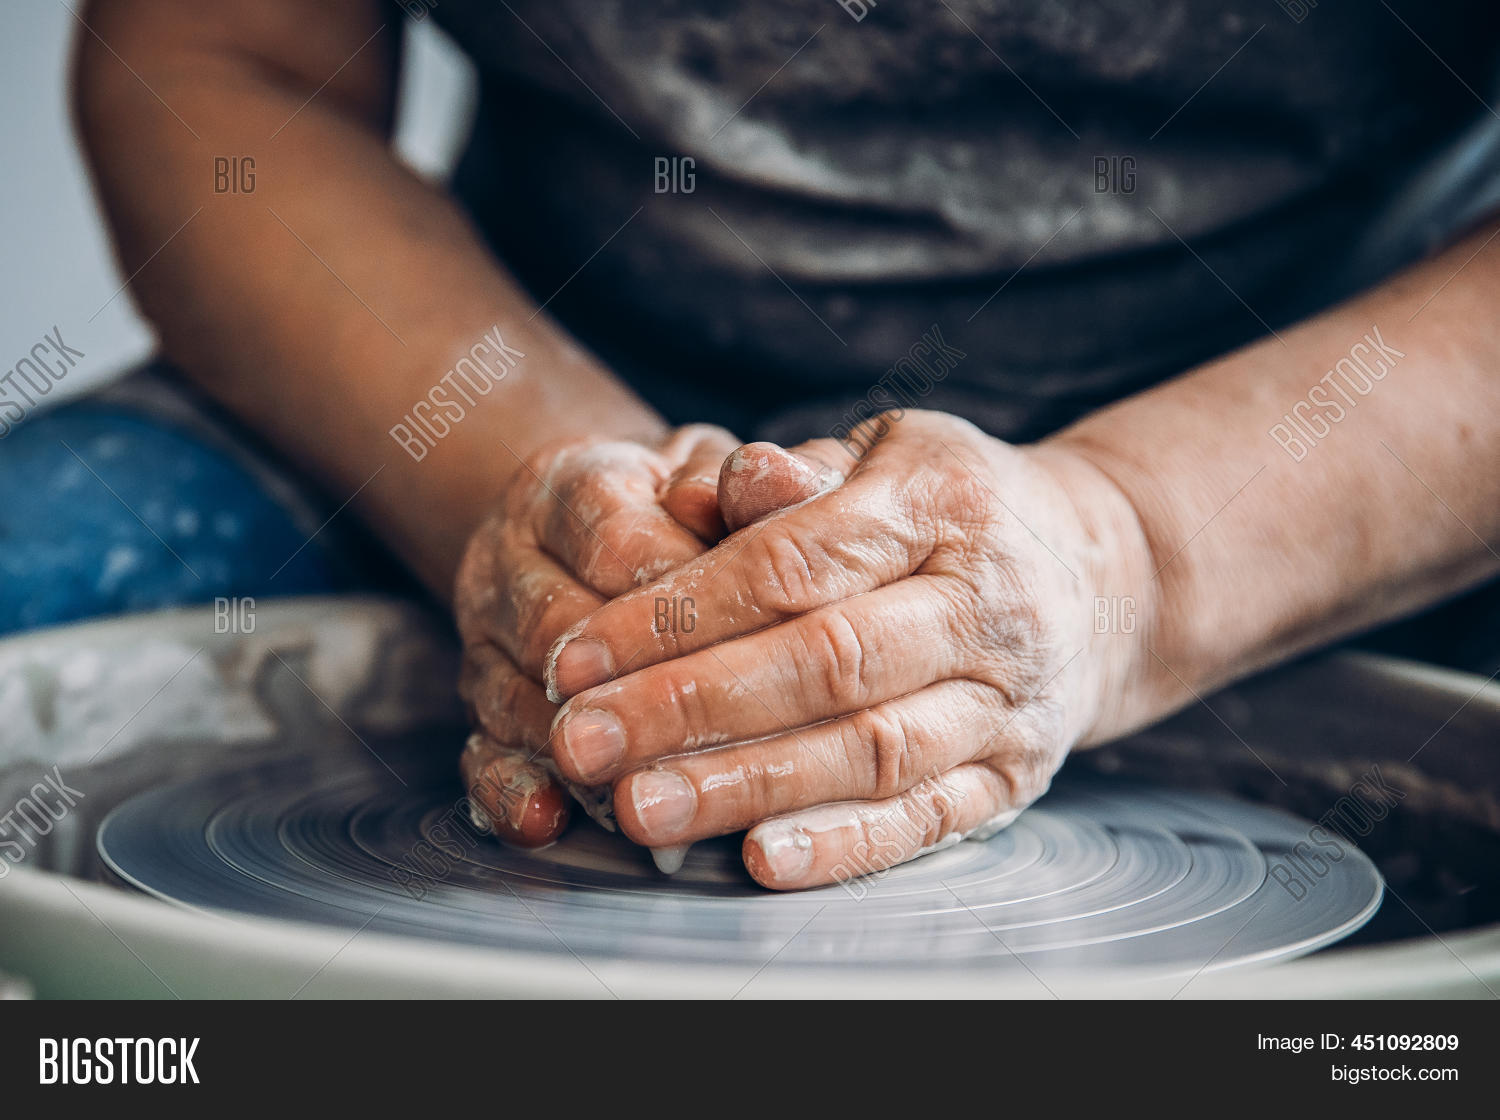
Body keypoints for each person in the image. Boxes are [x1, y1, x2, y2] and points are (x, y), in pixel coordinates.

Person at [57, 0, 1499, 889]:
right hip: (488, 365)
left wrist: (1129, 552)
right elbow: (221, 59)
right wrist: (558, 504)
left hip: (1313, 450)